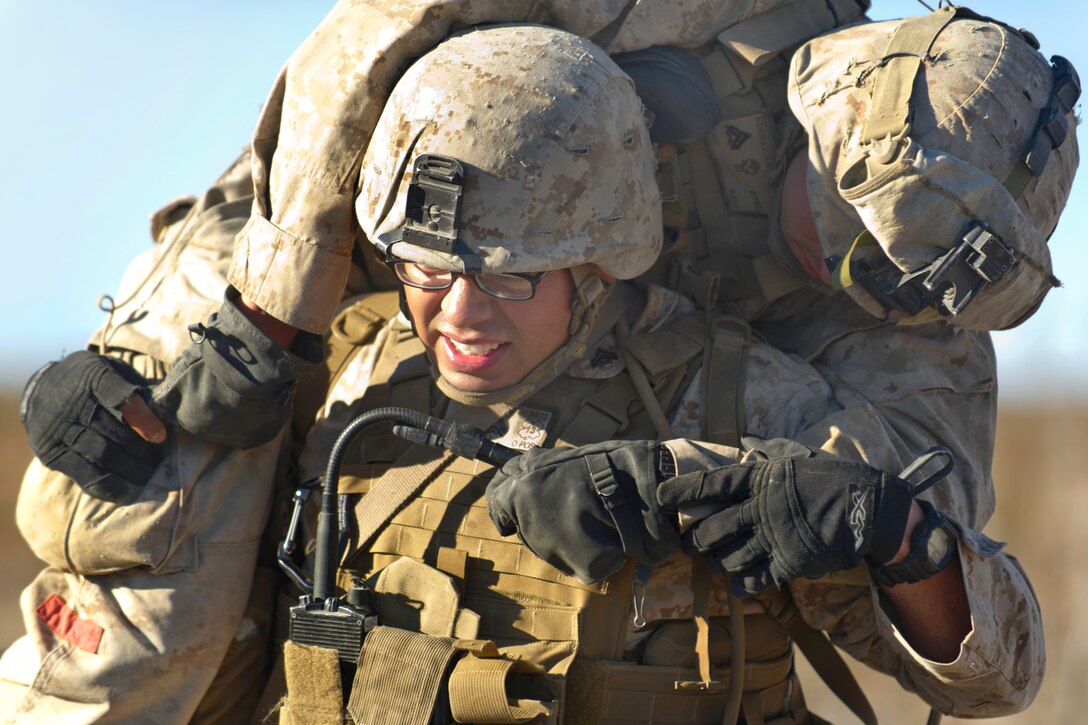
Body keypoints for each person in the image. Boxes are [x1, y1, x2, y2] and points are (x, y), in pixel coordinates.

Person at [3, 4, 1076, 724]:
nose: (876, 294)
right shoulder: (676, 36)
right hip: (374, 265)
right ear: (815, 135)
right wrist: (171, 343)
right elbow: (340, 101)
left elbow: (980, 646)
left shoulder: (896, 335)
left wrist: (871, 524)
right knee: (146, 499)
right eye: (864, 251)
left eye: (920, 288)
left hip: (675, 389)